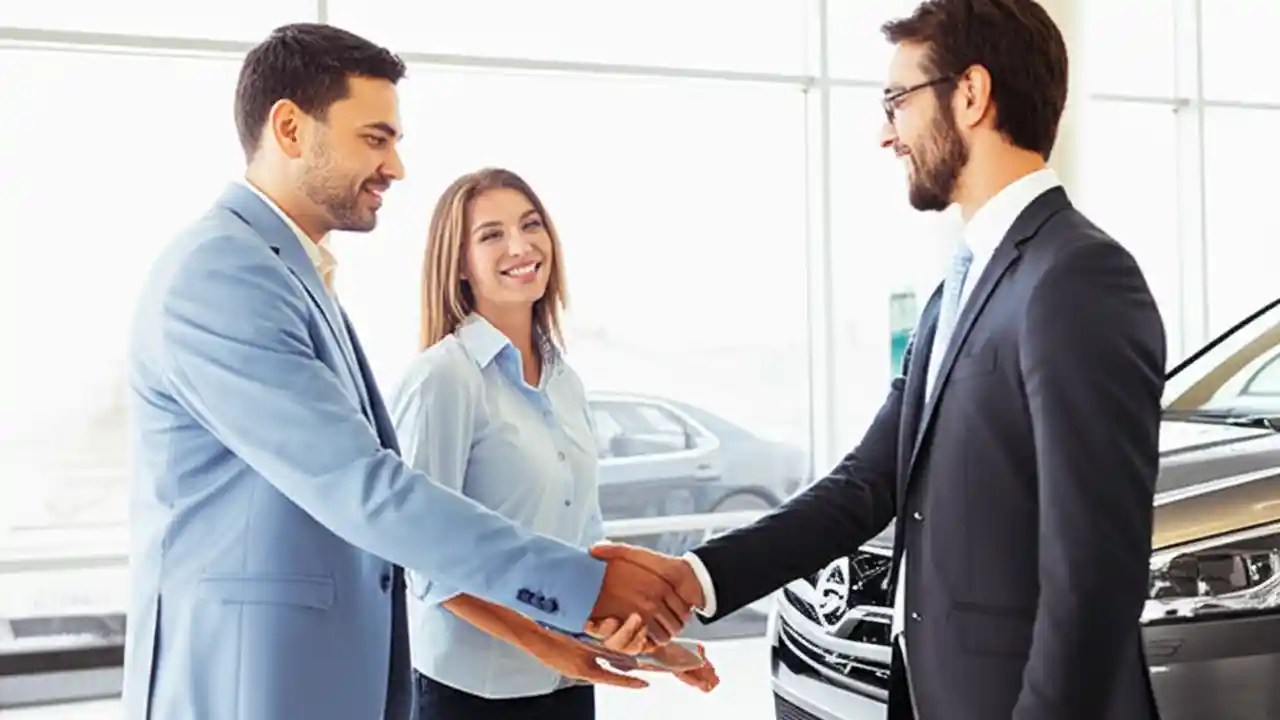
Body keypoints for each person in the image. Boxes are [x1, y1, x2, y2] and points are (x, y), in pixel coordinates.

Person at [592, 1, 1168, 718]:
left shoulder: (1078, 277)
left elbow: (1093, 572)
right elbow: (868, 483)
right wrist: (696, 576)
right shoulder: (959, 286)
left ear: (971, 95)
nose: (884, 132)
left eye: (896, 100)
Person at [123, 24, 689, 720]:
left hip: (310, 676)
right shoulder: (224, 273)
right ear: (291, 128)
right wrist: (581, 588)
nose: (396, 167)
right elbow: (365, 489)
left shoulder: (285, 272)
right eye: (375, 137)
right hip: (252, 681)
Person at [388, 168, 718, 719]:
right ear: (459, 264)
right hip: (474, 691)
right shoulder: (443, 378)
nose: (519, 245)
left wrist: (650, 646)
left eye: (530, 224)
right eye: (490, 234)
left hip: (565, 685)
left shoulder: (565, 380)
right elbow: (424, 562)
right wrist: (548, 644)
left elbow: (581, 544)